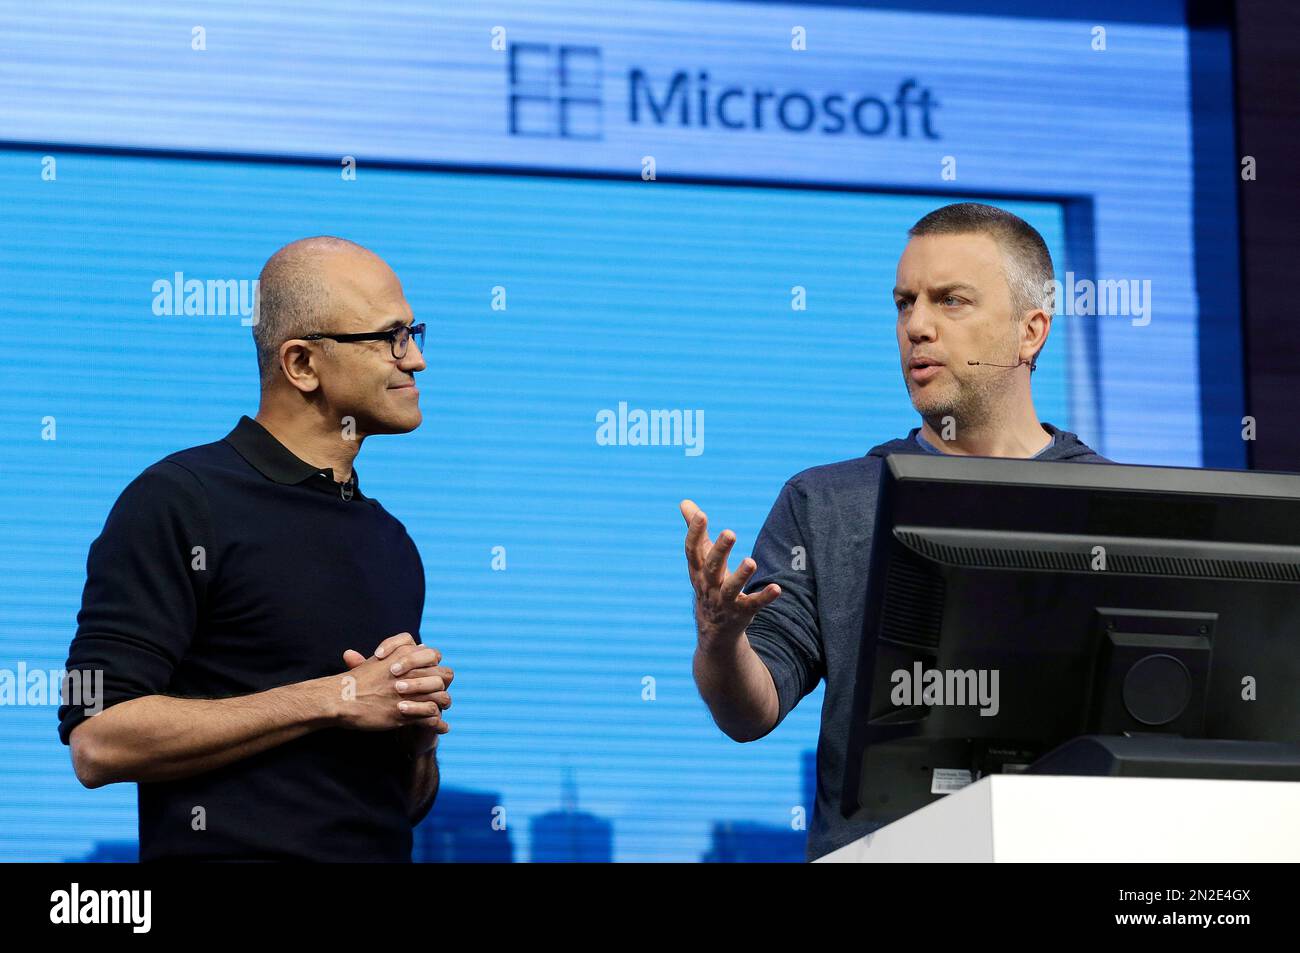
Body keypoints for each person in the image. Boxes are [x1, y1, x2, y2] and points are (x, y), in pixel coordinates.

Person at [680, 203, 1111, 861]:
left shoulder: (1113, 502)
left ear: (1032, 331)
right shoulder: (825, 503)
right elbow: (749, 711)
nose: (917, 326)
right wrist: (719, 639)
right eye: (905, 303)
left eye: (950, 301)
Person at [58, 236, 452, 861]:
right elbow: (98, 740)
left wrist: (415, 736)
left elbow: (394, 807)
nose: (416, 361)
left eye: (415, 333)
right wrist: (336, 698)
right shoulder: (179, 500)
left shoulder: (389, 539)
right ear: (301, 364)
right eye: (390, 337)